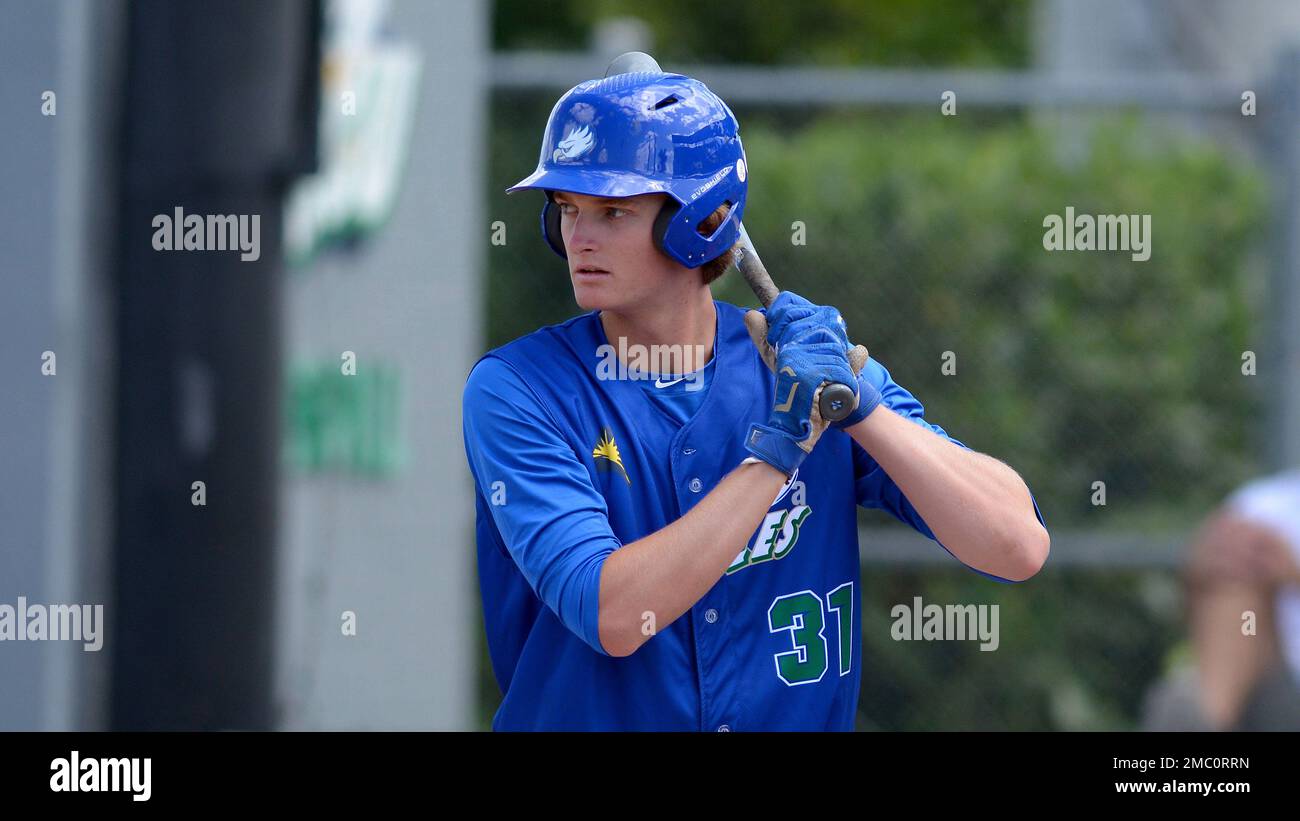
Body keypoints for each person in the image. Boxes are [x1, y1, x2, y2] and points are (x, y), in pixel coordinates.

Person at [462, 69, 1049, 731]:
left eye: (614, 211)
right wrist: (778, 450)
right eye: (567, 208)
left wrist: (861, 408)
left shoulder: (799, 366)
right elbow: (616, 614)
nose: (579, 237)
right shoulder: (518, 390)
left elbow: (1017, 544)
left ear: (701, 222)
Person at [1144, 470, 1300, 731]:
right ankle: (1202, 715)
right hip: (1273, 692)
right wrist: (1198, 577)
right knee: (1236, 577)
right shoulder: (1262, 506)